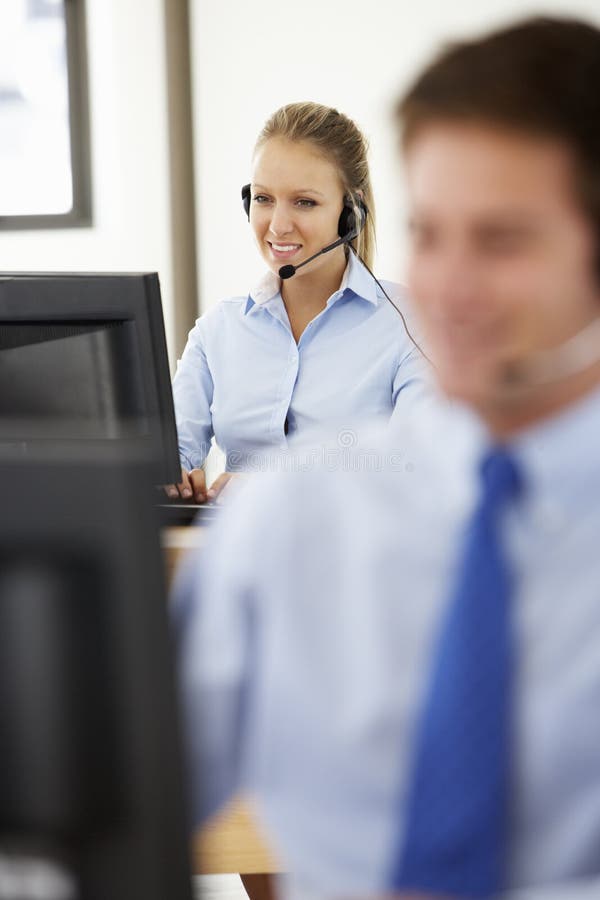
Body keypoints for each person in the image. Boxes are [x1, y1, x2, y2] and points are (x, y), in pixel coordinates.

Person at [175, 15, 600, 900]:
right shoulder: (284, 527)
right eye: (432, 233)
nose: (448, 283)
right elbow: (128, 805)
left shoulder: (395, 339)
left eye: (501, 239)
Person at [167, 101, 428, 502]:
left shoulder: (410, 323)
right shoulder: (217, 330)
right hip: (235, 554)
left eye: (304, 202)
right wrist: (175, 476)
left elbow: (419, 466)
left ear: (350, 213)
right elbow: (172, 452)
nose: (277, 225)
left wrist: (282, 490)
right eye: (263, 198)